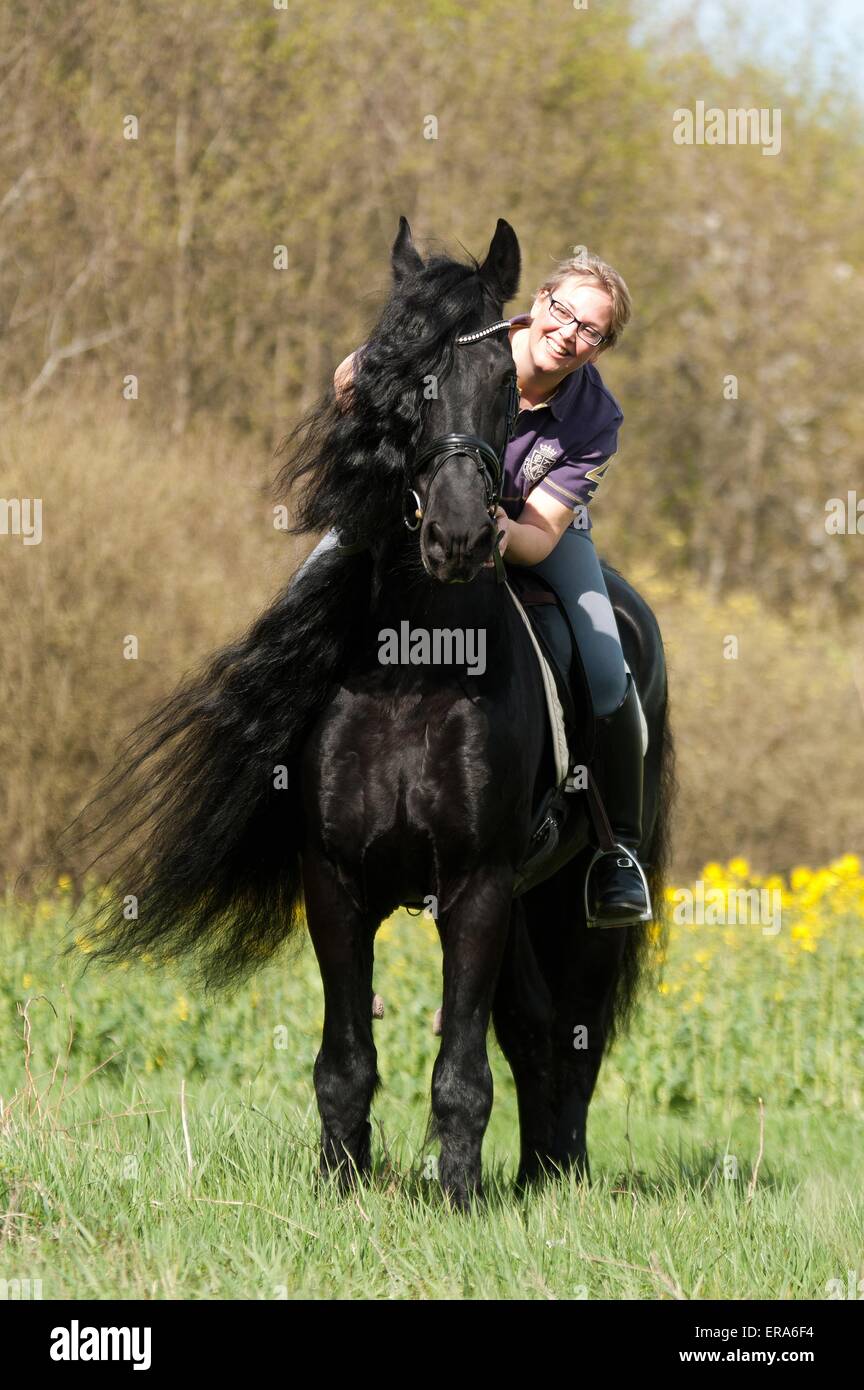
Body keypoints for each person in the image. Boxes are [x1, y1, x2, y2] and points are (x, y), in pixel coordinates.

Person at [324, 252, 650, 928]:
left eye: (591, 331)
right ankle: (270, 794)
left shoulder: (595, 417)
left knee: (607, 671)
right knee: (303, 601)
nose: (569, 333)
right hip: (414, 514)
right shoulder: (469, 339)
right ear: (539, 300)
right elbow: (350, 378)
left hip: (522, 528)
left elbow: (540, 535)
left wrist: (499, 529)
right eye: (563, 312)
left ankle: (618, 852)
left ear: (601, 346)